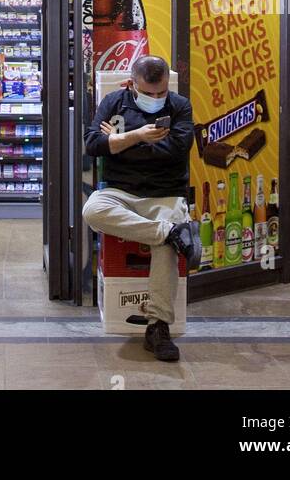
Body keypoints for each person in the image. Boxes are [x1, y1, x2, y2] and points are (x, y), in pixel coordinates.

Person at [82, 54, 199, 364]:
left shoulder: (180, 105)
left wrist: (118, 143)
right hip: (120, 191)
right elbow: (93, 145)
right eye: (149, 94)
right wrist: (138, 136)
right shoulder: (114, 101)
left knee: (165, 249)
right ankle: (172, 232)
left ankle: (158, 327)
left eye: (161, 93)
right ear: (133, 84)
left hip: (166, 193)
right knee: (92, 211)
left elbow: (177, 150)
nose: (156, 99)